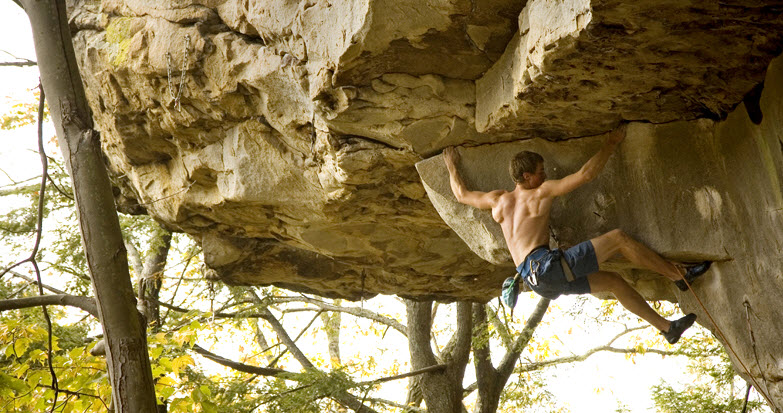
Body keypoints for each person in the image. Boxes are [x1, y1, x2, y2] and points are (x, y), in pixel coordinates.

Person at [442, 125, 711, 344]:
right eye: (540, 172)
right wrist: (611, 143)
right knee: (618, 238)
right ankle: (679, 275)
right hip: (546, 267)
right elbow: (585, 175)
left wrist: (451, 165)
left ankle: (667, 328)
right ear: (527, 176)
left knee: (615, 283)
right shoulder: (540, 193)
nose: (545, 174)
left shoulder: (497, 201)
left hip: (536, 282)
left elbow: (461, 194)